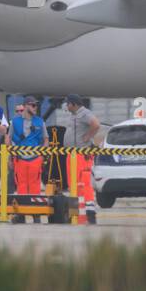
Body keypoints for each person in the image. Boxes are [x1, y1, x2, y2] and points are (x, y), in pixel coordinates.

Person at [63, 94, 101, 224]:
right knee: (73, 185)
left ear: (73, 104)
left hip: (81, 155)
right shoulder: (73, 115)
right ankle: (76, 215)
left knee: (84, 183)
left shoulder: (84, 113)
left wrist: (87, 136)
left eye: (67, 104)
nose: (66, 106)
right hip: (72, 155)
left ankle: (89, 213)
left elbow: (95, 124)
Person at [11, 96, 46, 196]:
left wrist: (42, 155)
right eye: (33, 105)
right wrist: (11, 157)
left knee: (35, 185)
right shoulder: (15, 122)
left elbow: (46, 139)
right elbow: (8, 139)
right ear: (26, 106)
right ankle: (22, 208)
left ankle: (34, 209)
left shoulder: (40, 122)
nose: (36, 108)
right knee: (21, 185)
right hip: (20, 159)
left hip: (35, 159)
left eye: (36, 105)